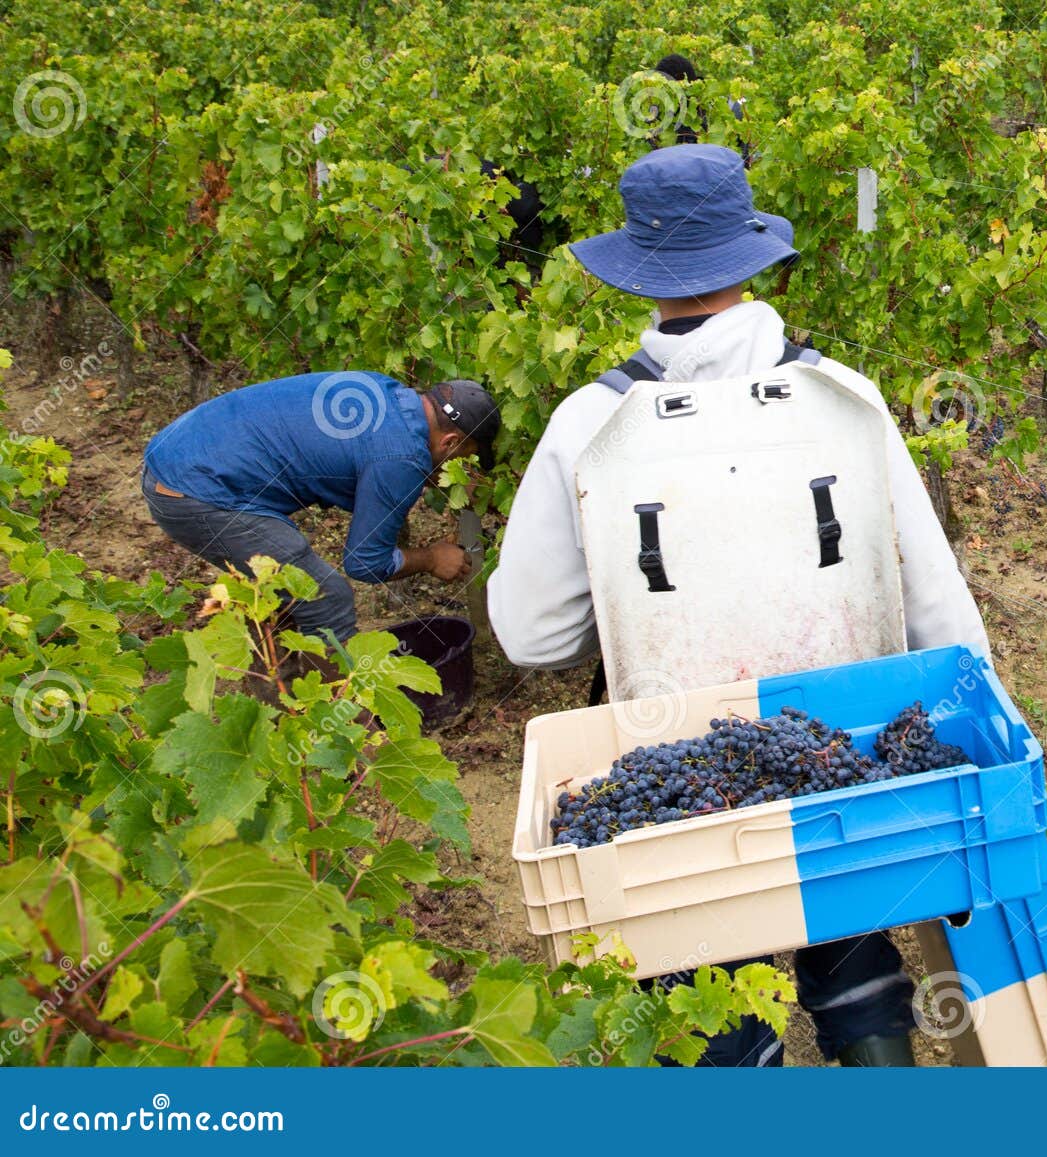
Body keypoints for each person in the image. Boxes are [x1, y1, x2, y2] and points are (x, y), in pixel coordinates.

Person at [487, 144, 989, 1066]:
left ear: (640, 272)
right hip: (845, 753)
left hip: (670, 761)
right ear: (754, 254)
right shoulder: (846, 398)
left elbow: (532, 634)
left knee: (704, 983)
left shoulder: (586, 423)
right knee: (849, 925)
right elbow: (938, 610)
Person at [143, 373, 500, 646]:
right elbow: (365, 562)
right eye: (463, 457)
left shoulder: (386, 392)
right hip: (197, 493)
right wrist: (433, 559)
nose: (462, 467)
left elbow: (369, 452)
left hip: (179, 452)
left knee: (281, 591)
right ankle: (344, 728)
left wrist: (439, 474)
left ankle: (281, 701)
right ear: (450, 441)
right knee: (325, 598)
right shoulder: (400, 458)